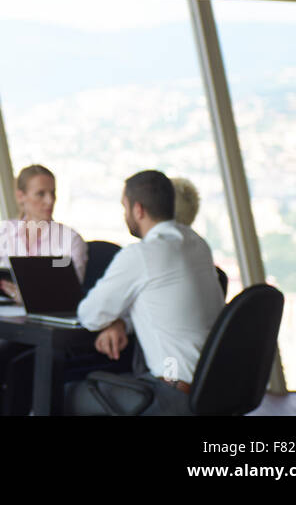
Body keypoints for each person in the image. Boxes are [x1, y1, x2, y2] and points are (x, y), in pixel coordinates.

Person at [67, 169, 225, 415]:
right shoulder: (197, 244)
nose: (125, 214)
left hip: (171, 395)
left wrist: (114, 319)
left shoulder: (141, 255)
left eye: (125, 207)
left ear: (138, 210)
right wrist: (121, 322)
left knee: (63, 394)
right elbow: (162, 305)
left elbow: (89, 315)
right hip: (211, 392)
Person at [0, 164, 88, 415]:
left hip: (49, 334)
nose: (49, 201)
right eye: (41, 194)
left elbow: (69, 293)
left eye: (53, 193)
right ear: (21, 196)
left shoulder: (69, 240)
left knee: (15, 370)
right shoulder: (5, 232)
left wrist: (28, 295)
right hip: (15, 329)